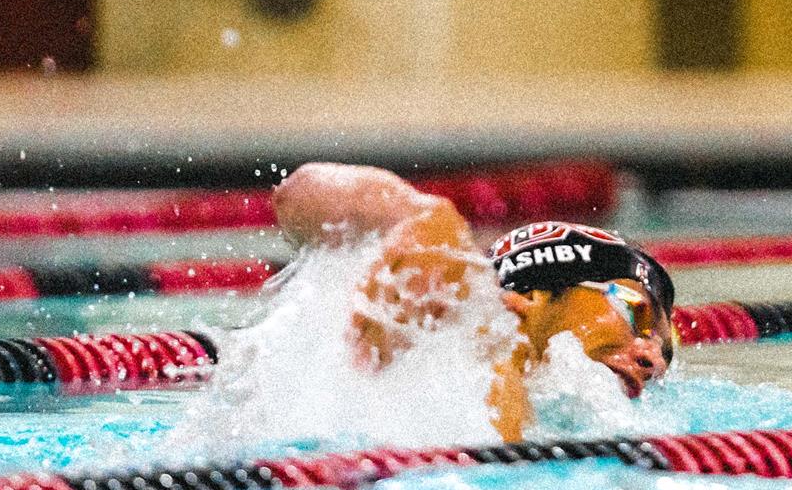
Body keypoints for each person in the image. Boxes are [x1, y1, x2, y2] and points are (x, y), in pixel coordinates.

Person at [272, 163, 675, 441]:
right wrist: (419, 213)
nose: (654, 360)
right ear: (530, 295)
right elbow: (297, 192)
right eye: (634, 314)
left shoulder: (548, 423)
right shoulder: (460, 325)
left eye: (664, 351)